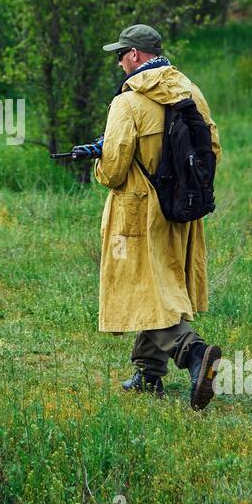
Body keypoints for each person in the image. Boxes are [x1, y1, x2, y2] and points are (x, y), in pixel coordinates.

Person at [89, 23, 222, 407]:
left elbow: (114, 169)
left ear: (134, 55)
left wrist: (97, 164)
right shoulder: (190, 91)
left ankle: (194, 354)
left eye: (120, 55)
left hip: (137, 214)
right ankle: (148, 375)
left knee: (143, 286)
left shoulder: (127, 102)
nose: (118, 63)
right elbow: (212, 148)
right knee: (155, 284)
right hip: (182, 210)